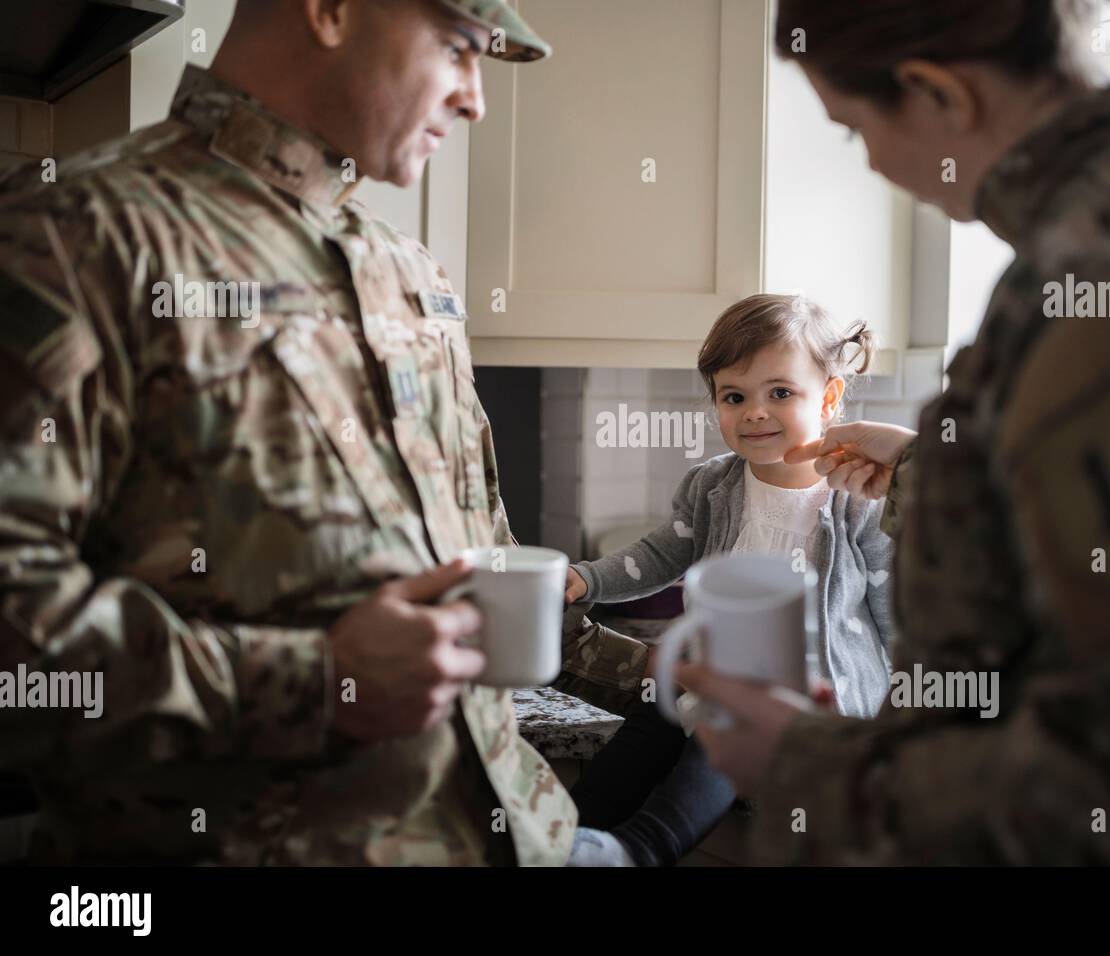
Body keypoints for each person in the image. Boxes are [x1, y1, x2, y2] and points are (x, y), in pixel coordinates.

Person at [0, 0, 651, 866]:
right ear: (332, 11)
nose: (476, 100)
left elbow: (485, 566)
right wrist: (313, 683)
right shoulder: (79, 238)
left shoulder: (411, 273)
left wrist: (654, 673)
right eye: (460, 48)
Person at [680, 0, 1110, 864]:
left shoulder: (1105, 270)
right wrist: (928, 474)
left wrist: (807, 766)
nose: (875, 165)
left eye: (857, 130)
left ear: (939, 93)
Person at [562, 294, 895, 865]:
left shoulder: (856, 498)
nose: (754, 413)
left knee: (719, 744)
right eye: (733, 396)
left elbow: (894, 610)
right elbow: (658, 555)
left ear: (830, 398)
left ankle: (638, 851)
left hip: (806, 706)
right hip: (712, 676)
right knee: (655, 720)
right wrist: (585, 579)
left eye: (780, 393)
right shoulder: (712, 484)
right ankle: (567, 836)